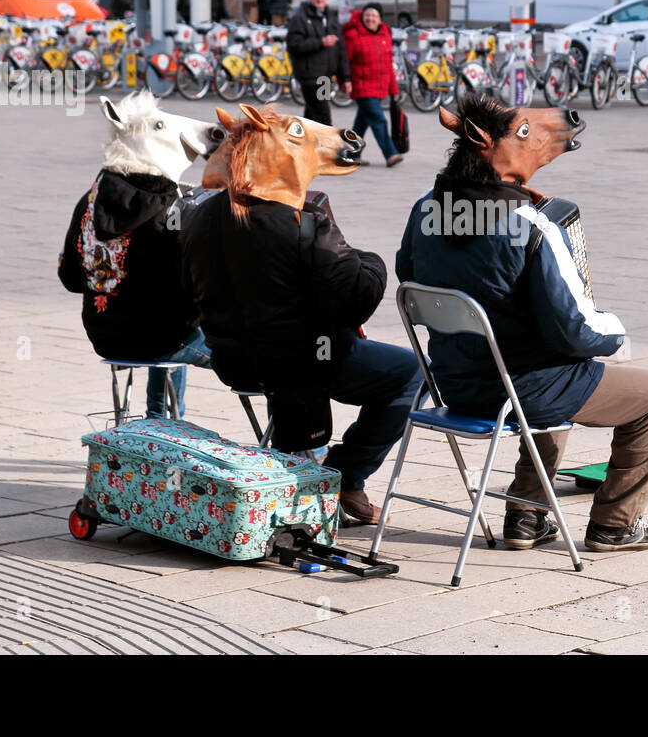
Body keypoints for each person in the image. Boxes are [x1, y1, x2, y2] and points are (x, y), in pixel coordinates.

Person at [396, 97, 648, 553]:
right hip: (518, 392)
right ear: (488, 146)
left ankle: (527, 516)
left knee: (549, 367)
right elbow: (578, 331)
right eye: (521, 133)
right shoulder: (532, 225)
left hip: (452, 386)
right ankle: (615, 524)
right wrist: (616, 333)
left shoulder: (425, 209)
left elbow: (407, 274)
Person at [179, 106, 422, 523]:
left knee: (281, 346)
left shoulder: (199, 216)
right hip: (305, 364)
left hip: (234, 363)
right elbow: (358, 296)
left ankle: (311, 462)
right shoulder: (302, 224)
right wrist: (369, 258)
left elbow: (188, 294)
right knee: (414, 373)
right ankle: (347, 473)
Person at [58, 92, 221, 420]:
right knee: (264, 357)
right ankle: (308, 449)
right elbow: (192, 285)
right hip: (158, 338)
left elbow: (71, 279)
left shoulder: (88, 203)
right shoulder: (170, 209)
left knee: (168, 320)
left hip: (104, 335)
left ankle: (158, 423)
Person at [342, 2, 402, 168]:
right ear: (362, 17)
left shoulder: (384, 34)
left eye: (374, 15)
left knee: (361, 123)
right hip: (361, 85)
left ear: (380, 19)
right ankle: (390, 153)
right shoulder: (353, 35)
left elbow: (389, 65)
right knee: (378, 119)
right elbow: (344, 61)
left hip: (379, 87)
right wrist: (344, 80)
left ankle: (351, 155)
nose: (370, 18)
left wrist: (393, 90)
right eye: (367, 15)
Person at [287, 0, 351, 126]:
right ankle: (326, 148)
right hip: (310, 75)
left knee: (311, 118)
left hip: (325, 76)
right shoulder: (300, 18)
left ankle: (302, 147)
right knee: (323, 119)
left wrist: (345, 77)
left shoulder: (331, 17)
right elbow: (294, 45)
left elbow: (340, 50)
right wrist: (321, 42)